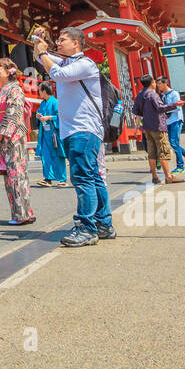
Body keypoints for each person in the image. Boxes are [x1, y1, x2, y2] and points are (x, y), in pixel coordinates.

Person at [32, 25, 115, 248]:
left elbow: (55, 73)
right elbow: (42, 59)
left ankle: (87, 227)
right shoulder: (68, 62)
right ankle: (104, 224)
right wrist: (38, 42)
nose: (57, 43)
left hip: (83, 129)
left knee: (82, 178)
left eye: (62, 40)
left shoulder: (85, 64)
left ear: (76, 43)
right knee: (93, 177)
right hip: (75, 130)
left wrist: (42, 52)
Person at [0, 58, 34, 225]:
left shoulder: (14, 90)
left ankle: (22, 214)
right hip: (4, 138)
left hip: (13, 138)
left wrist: (1, 134)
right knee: (13, 175)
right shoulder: (3, 91)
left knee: (16, 175)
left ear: (8, 71)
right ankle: (23, 213)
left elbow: (13, 114)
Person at [133, 74, 178, 184]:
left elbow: (136, 112)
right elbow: (160, 108)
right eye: (154, 82)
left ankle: (154, 176)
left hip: (147, 128)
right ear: (151, 83)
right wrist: (174, 104)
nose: (155, 84)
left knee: (152, 152)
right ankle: (168, 176)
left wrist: (136, 128)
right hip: (158, 126)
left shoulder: (139, 96)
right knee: (162, 150)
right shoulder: (153, 95)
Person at [32, 81, 67, 187]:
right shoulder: (43, 103)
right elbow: (40, 114)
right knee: (46, 156)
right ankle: (48, 178)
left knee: (58, 156)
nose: (39, 93)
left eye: (40, 91)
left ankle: (62, 179)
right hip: (45, 134)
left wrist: (49, 117)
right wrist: (39, 116)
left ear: (44, 91)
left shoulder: (55, 102)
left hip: (54, 134)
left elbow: (61, 116)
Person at [159, 77, 185, 174]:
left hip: (176, 120)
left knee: (174, 143)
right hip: (168, 121)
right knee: (174, 144)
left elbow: (177, 108)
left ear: (165, 84)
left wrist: (166, 109)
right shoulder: (162, 95)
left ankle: (180, 166)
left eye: (159, 84)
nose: (158, 86)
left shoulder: (174, 93)